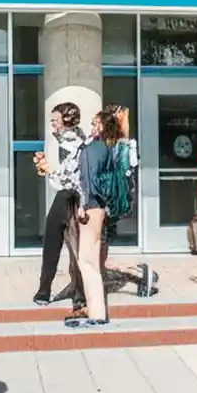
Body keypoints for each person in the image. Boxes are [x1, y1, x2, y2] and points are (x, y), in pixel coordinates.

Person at [69, 109, 131, 328]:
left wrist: (83, 205)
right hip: (101, 206)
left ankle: (95, 314)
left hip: (92, 205)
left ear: (103, 126)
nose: (92, 127)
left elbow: (89, 179)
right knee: (93, 261)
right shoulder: (109, 147)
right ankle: (98, 312)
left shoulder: (92, 148)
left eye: (96, 123)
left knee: (86, 261)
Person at [32, 102, 86, 310]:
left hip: (71, 199)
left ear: (66, 119)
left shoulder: (72, 142)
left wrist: (47, 170)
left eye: (55, 119)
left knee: (64, 246)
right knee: (69, 247)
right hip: (68, 197)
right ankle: (74, 292)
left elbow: (68, 179)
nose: (52, 123)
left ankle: (51, 291)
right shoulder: (69, 139)